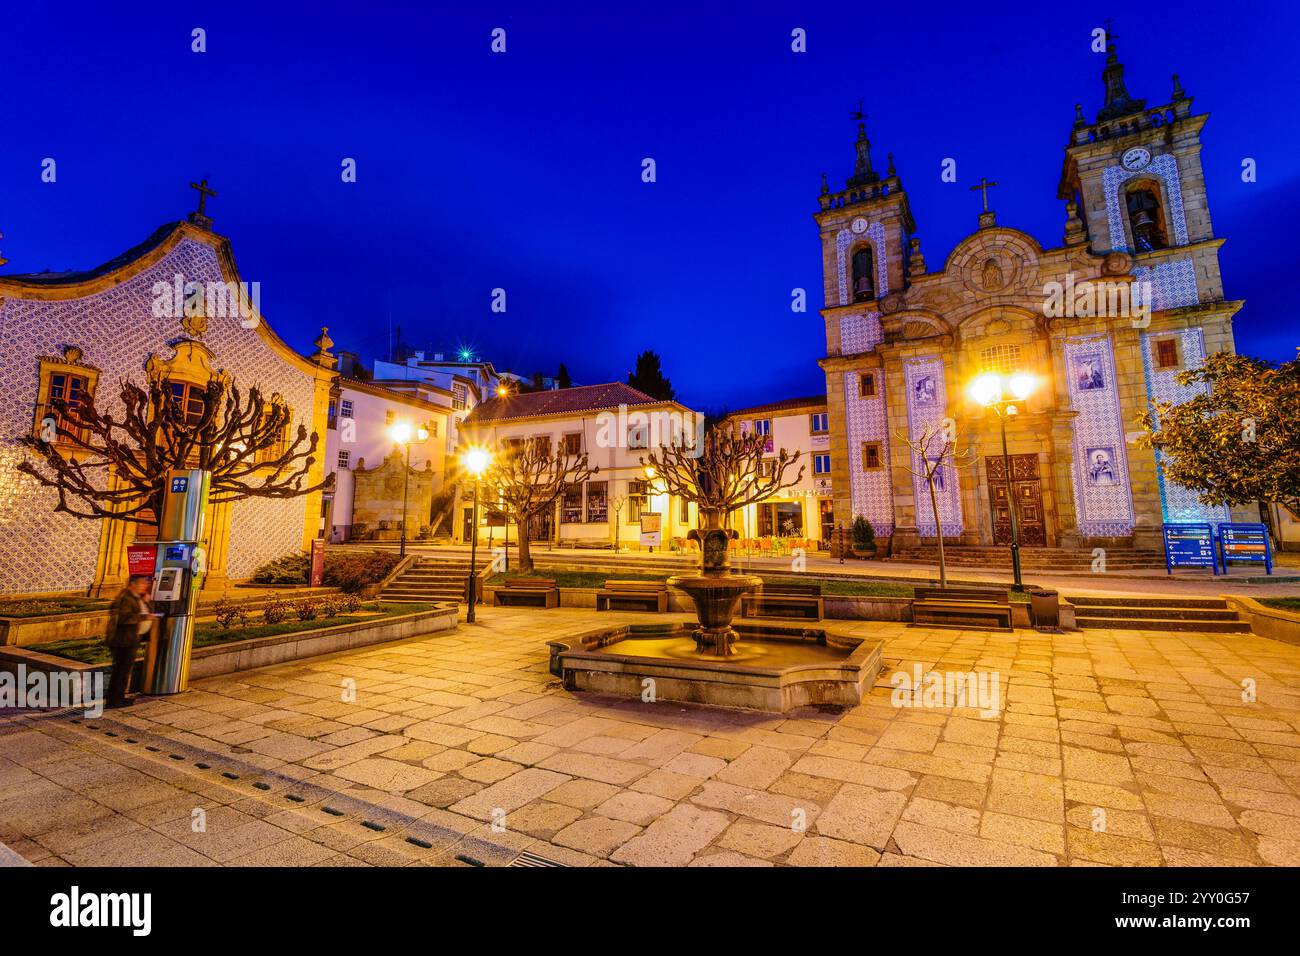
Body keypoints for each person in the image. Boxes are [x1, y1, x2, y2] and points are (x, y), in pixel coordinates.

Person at [104, 574, 157, 708]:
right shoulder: (126, 598)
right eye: (142, 583)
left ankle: (119, 697)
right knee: (121, 671)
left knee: (124, 670)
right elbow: (124, 618)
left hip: (131, 638)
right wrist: (145, 616)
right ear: (132, 584)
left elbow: (144, 610)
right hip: (123, 640)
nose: (144, 586)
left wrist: (146, 602)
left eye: (145, 584)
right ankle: (115, 700)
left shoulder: (135, 597)